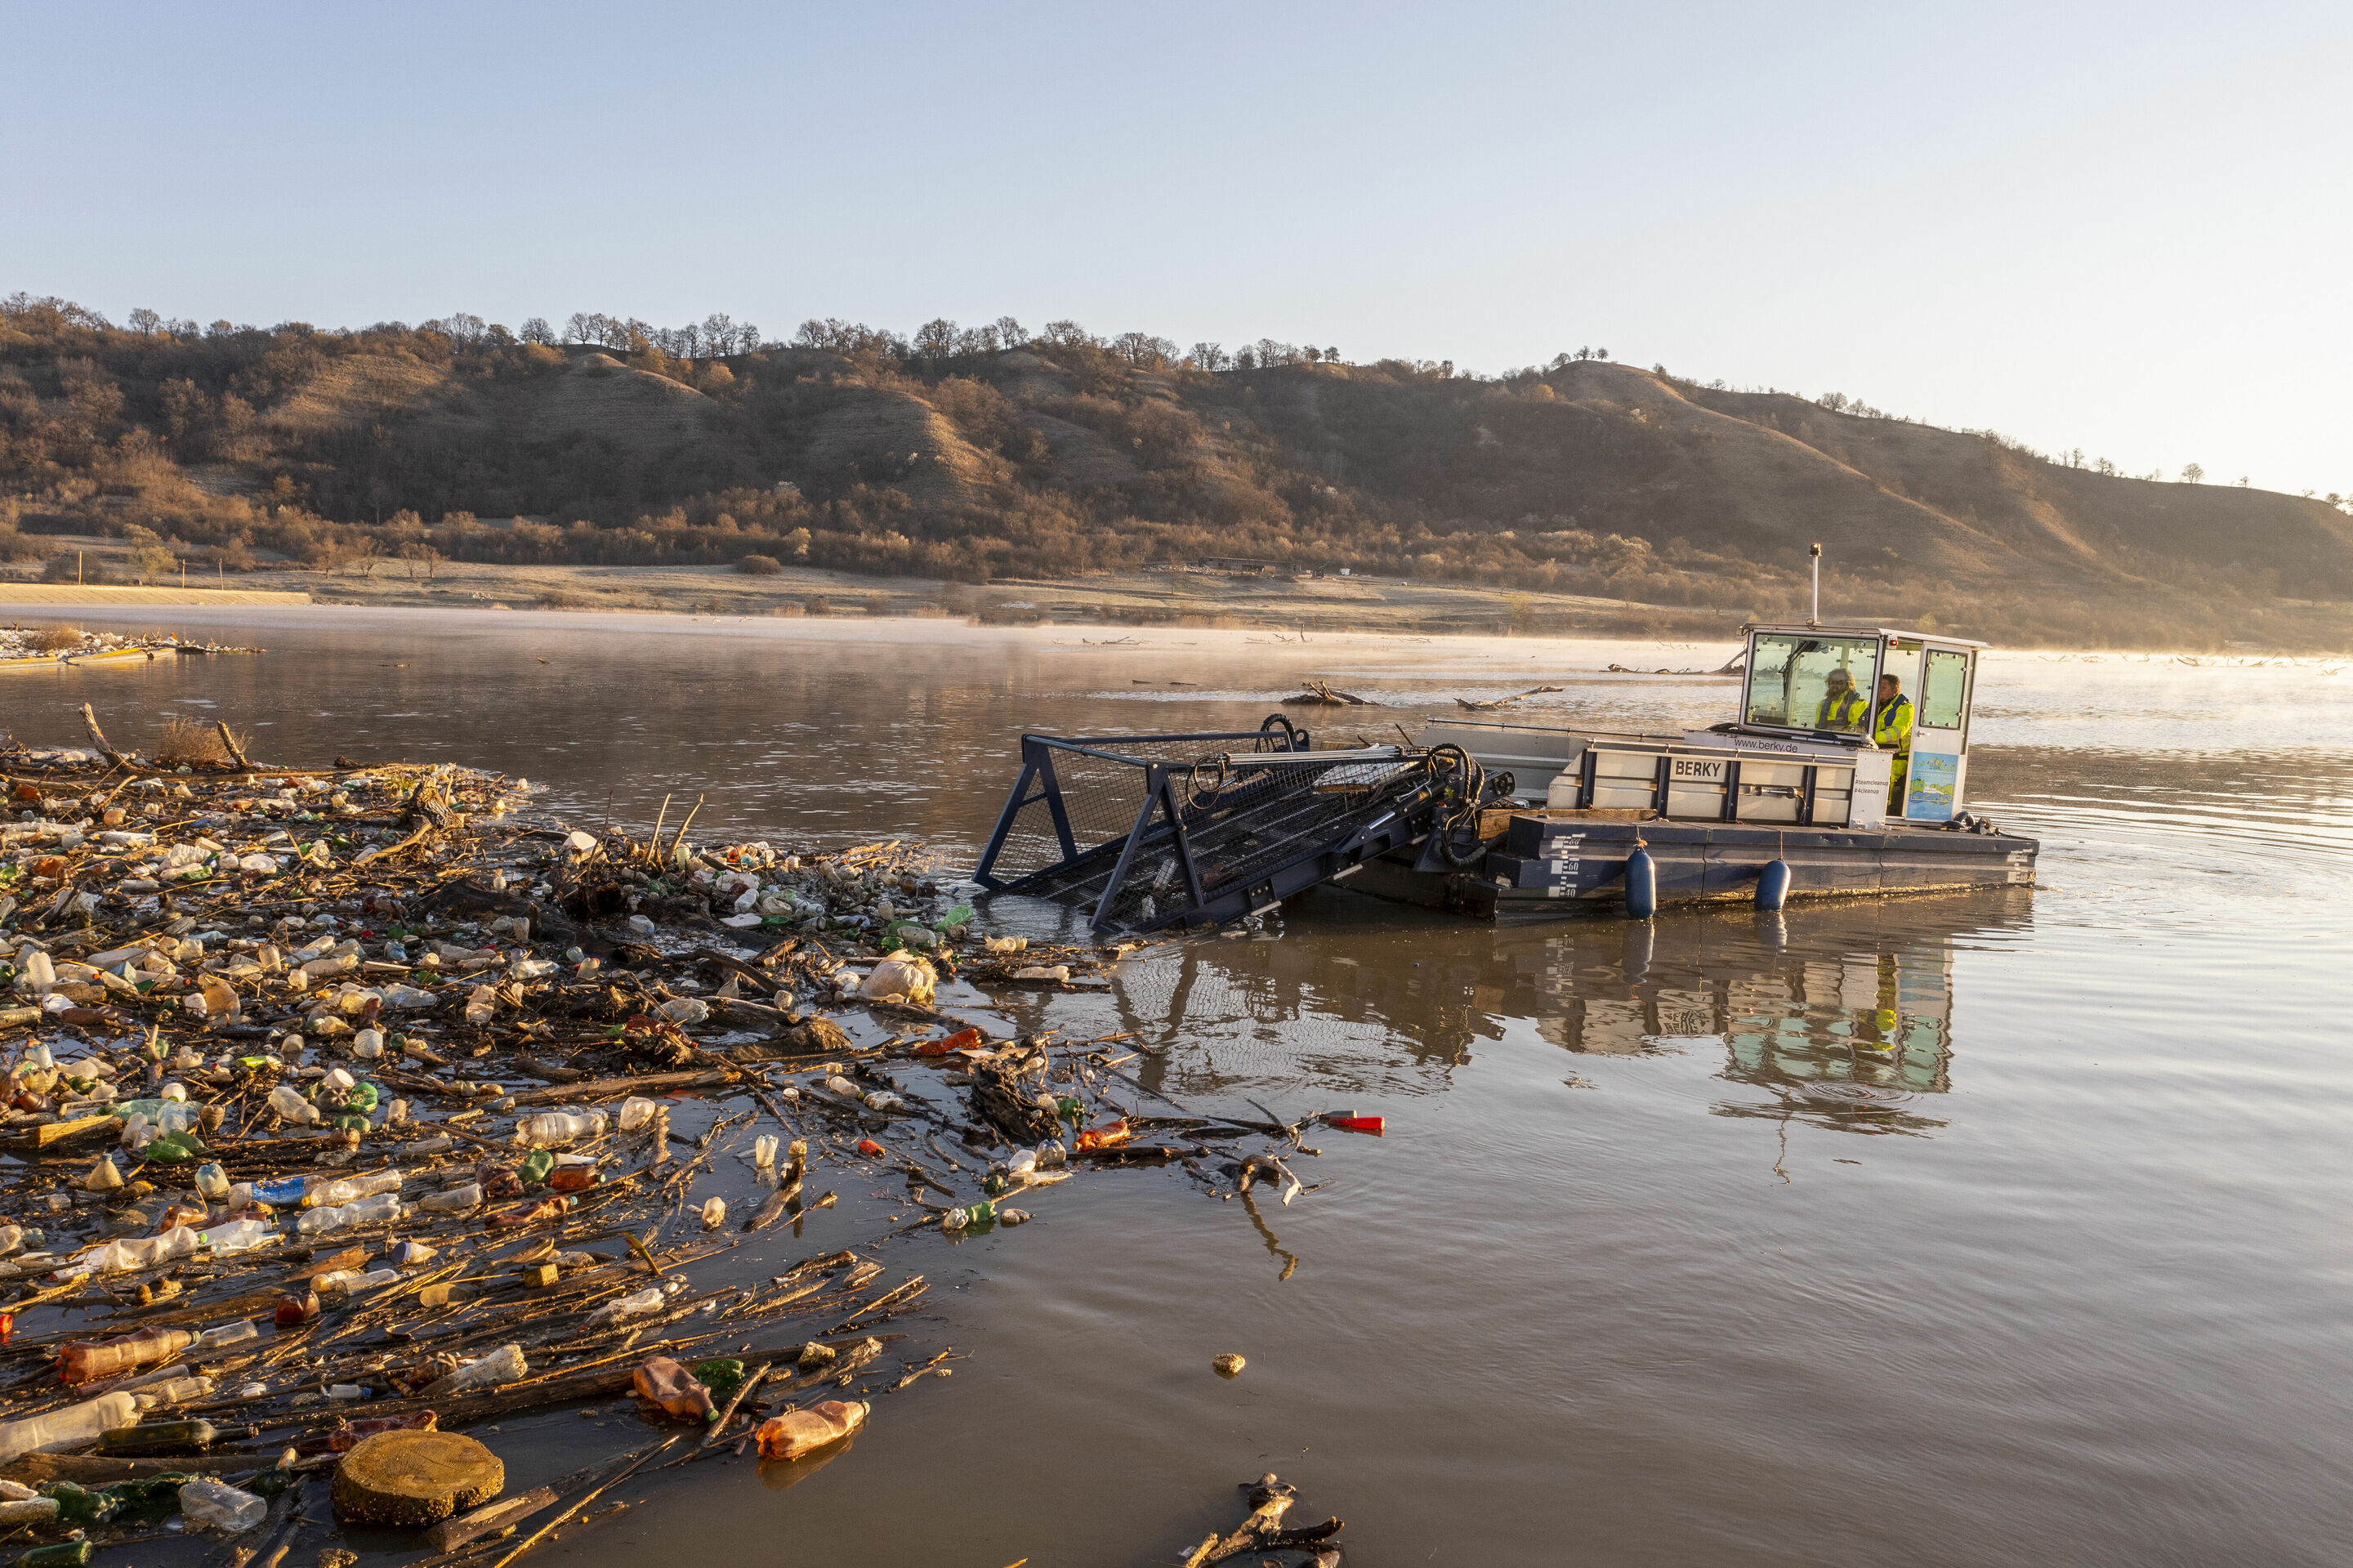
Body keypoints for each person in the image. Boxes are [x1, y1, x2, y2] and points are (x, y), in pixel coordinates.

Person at [1873, 672, 1914, 811]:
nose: (1879, 691)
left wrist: (1872, 738)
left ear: (1895, 690)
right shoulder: (1875, 707)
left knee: (1885, 774)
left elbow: (1898, 732)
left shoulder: (1906, 708)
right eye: (1878, 687)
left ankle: (1883, 809)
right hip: (1876, 753)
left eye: (1883, 688)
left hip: (1898, 758)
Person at [1814, 667, 1867, 731]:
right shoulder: (1821, 705)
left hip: (1845, 740)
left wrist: (1843, 729)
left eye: (1839, 682)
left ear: (1848, 684)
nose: (1834, 685)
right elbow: (1817, 726)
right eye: (1832, 682)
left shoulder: (1860, 705)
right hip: (1823, 739)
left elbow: (1861, 729)